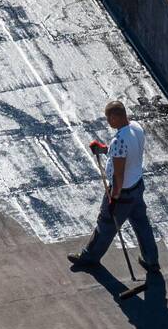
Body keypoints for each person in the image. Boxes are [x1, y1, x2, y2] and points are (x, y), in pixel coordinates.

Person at [68, 100, 161, 273]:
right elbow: (125, 152)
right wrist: (103, 149)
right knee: (142, 225)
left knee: (105, 224)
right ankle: (151, 261)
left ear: (115, 117)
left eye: (108, 117)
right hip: (137, 186)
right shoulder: (135, 127)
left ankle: (89, 258)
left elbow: (119, 175)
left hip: (122, 194)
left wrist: (114, 198)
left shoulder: (119, 141)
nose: (107, 121)